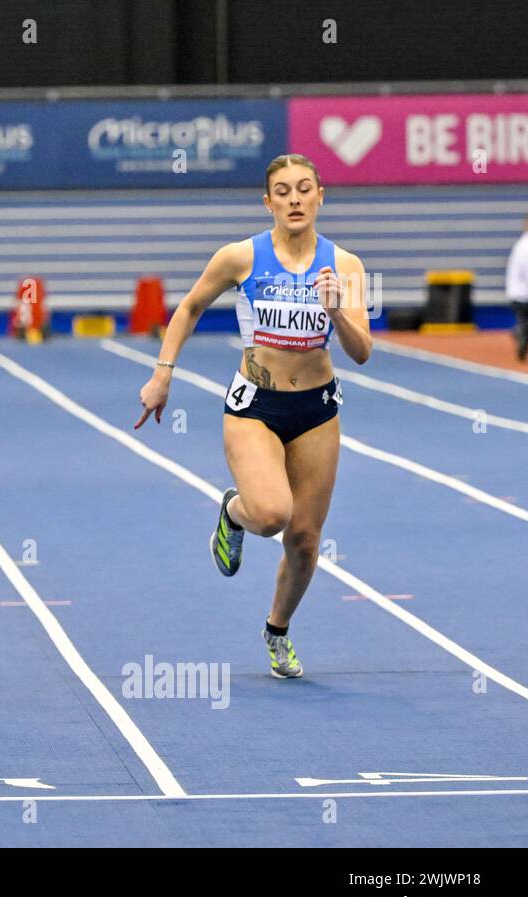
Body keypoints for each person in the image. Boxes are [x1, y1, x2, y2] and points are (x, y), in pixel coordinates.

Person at [136, 154, 372, 678]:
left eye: (304, 189)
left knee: (305, 540)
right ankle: (233, 511)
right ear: (268, 202)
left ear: (320, 197)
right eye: (282, 191)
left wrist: (335, 310)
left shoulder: (346, 266)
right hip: (255, 407)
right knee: (270, 515)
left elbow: (362, 351)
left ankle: (278, 629)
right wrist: (163, 373)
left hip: (316, 410)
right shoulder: (241, 257)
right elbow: (189, 307)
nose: (294, 199)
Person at [505, 211, 528, 361]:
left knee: (524, 322)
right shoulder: (526, 246)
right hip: (523, 295)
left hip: (520, 294)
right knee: (525, 322)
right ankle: (522, 333)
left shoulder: (523, 243)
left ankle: (521, 332)